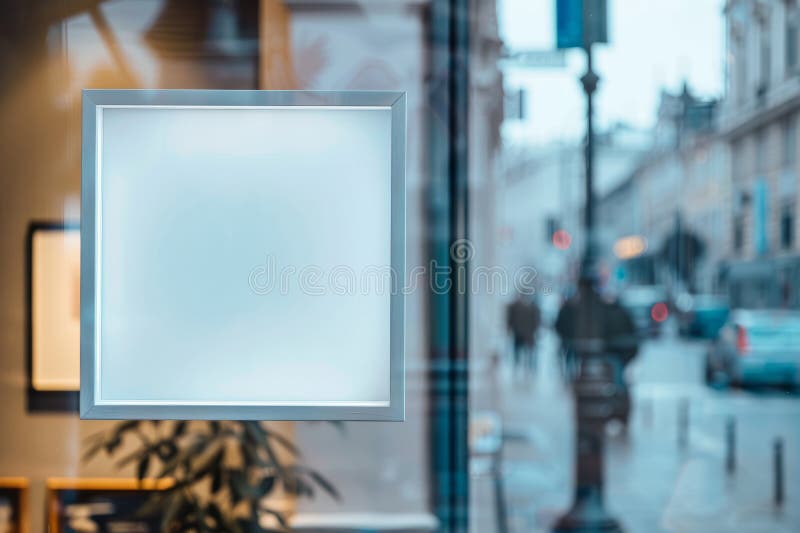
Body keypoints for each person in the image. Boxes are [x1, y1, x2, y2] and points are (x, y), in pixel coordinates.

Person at [555, 265, 638, 426]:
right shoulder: (600, 310)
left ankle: (616, 408)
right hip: (608, 353)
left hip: (611, 353)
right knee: (615, 380)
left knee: (615, 380)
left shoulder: (604, 312)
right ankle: (616, 408)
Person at [506, 292, 541, 378]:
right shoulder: (514, 306)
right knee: (518, 352)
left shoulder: (533, 307)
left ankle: (528, 368)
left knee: (528, 353)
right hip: (519, 333)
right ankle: (519, 367)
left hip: (528, 334)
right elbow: (510, 319)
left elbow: (536, 321)